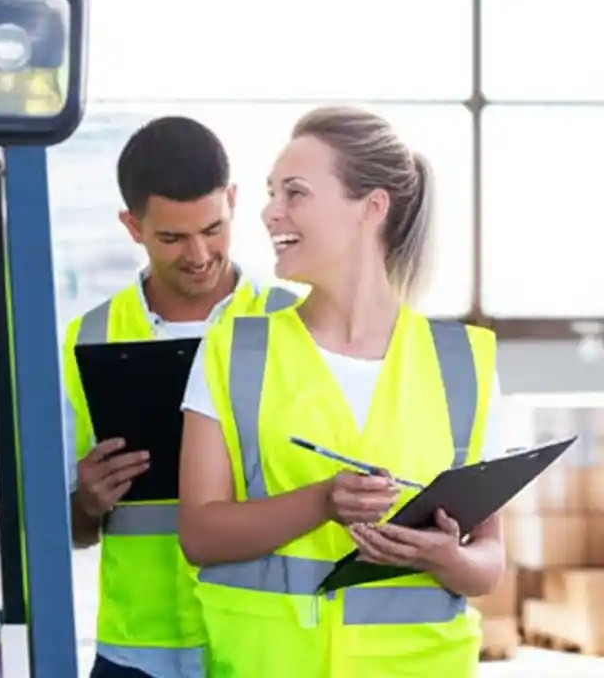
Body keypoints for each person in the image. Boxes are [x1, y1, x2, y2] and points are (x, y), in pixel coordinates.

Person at [178, 106, 506, 677]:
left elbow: (490, 562)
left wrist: (448, 557)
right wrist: (320, 502)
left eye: (295, 193)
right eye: (272, 192)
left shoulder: (464, 363)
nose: (268, 211)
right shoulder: (233, 350)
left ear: (371, 208)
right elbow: (200, 534)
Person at [60, 116, 297, 678]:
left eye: (213, 229)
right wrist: (87, 501)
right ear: (131, 225)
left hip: (262, 643)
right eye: (172, 237)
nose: (198, 254)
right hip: (137, 649)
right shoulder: (89, 338)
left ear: (233, 201)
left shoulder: (292, 324)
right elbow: (62, 527)